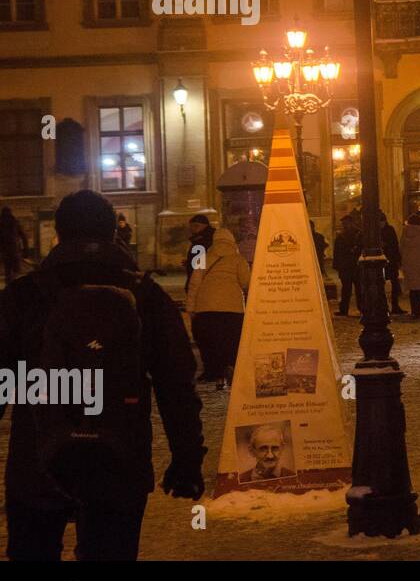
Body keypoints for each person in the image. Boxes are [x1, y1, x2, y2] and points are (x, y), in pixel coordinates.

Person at [0, 189, 205, 561]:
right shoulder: (146, 296)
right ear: (113, 233)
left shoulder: (24, 295)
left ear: (58, 234)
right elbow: (176, 383)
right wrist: (187, 458)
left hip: (37, 461)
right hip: (119, 462)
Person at [186, 225, 251, 386]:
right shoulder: (238, 259)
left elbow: (194, 283)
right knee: (231, 339)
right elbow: (247, 282)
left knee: (209, 341)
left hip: (205, 308)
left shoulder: (203, 258)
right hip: (233, 309)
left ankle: (212, 371)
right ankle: (230, 365)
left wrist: (191, 307)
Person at [400, 213, 420, 319]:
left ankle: (414, 309)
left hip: (408, 263)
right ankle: (417, 309)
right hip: (419, 262)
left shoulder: (404, 232)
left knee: (412, 288)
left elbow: (401, 247)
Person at [332, 215, 362, 317]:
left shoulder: (358, 234)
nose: (345, 225)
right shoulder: (341, 236)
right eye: (344, 224)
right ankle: (344, 309)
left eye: (346, 223)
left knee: (358, 289)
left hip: (355, 265)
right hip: (346, 266)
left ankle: (360, 308)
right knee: (346, 289)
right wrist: (337, 265)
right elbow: (337, 252)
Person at [379, 211, 406, 315]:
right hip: (382, 261)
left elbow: (394, 245)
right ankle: (385, 306)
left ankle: (395, 305)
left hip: (390, 261)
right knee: (381, 285)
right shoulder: (375, 231)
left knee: (394, 284)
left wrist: (397, 259)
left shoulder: (389, 230)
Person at [183, 214, 215, 294]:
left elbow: (198, 266)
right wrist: (189, 262)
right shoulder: (212, 236)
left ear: (197, 226)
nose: (191, 230)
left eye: (192, 227)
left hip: (200, 282)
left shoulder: (201, 241)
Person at [0, 206, 27, 285]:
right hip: (15, 251)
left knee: (8, 273)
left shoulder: (0, 223)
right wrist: (26, 250)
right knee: (17, 271)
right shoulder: (15, 222)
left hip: (6, 252)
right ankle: (16, 289)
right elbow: (23, 236)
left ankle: (9, 289)